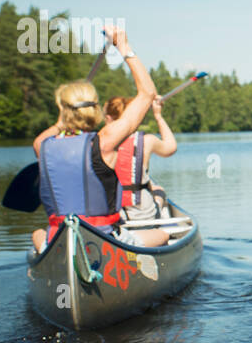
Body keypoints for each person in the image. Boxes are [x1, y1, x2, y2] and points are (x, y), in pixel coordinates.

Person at [30, 30, 170, 252]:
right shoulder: (104, 142)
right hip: (104, 239)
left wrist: (65, 110)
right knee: (162, 235)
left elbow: (56, 128)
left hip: (60, 239)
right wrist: (124, 47)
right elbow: (147, 93)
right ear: (94, 108)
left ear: (62, 110)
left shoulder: (43, 145)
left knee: (37, 233)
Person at [102, 92, 178, 223]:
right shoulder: (146, 141)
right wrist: (158, 116)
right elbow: (170, 148)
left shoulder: (98, 142)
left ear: (108, 119)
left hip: (113, 212)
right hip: (142, 214)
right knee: (159, 190)